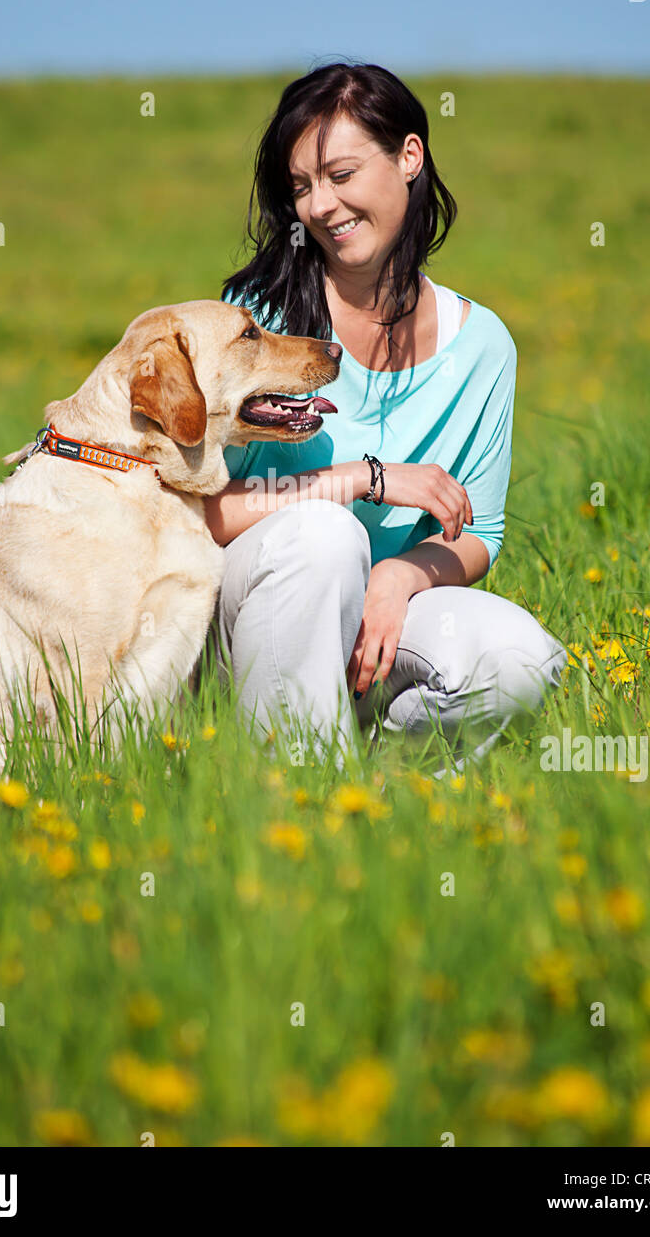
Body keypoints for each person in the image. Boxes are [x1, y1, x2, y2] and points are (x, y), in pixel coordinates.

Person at [203, 61, 566, 771]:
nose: (321, 206)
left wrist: (399, 578)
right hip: (242, 626)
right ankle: (291, 789)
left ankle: (380, 787)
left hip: (377, 624)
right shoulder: (261, 324)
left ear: (409, 157)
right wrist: (358, 479)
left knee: (517, 659)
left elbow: (481, 532)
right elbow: (199, 509)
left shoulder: (484, 346)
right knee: (323, 536)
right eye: (302, 187)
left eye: (340, 175)